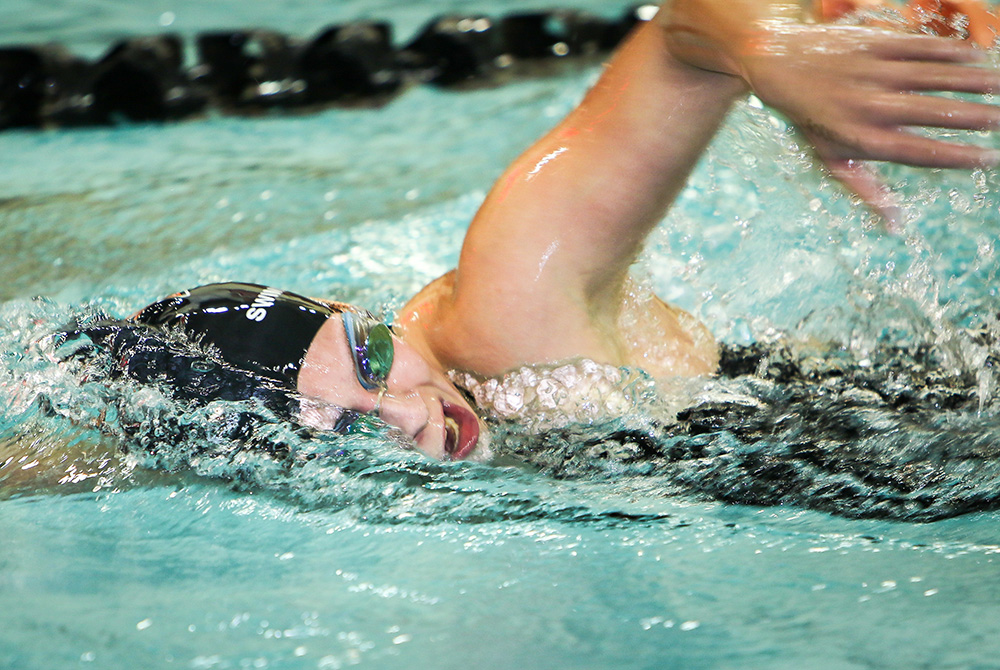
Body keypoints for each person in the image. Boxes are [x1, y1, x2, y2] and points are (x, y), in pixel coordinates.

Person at [62, 0, 1000, 464]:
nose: (408, 416)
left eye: (372, 358)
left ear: (360, 312)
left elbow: (678, 31)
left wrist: (773, 52)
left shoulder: (508, 317)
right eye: (341, 429)